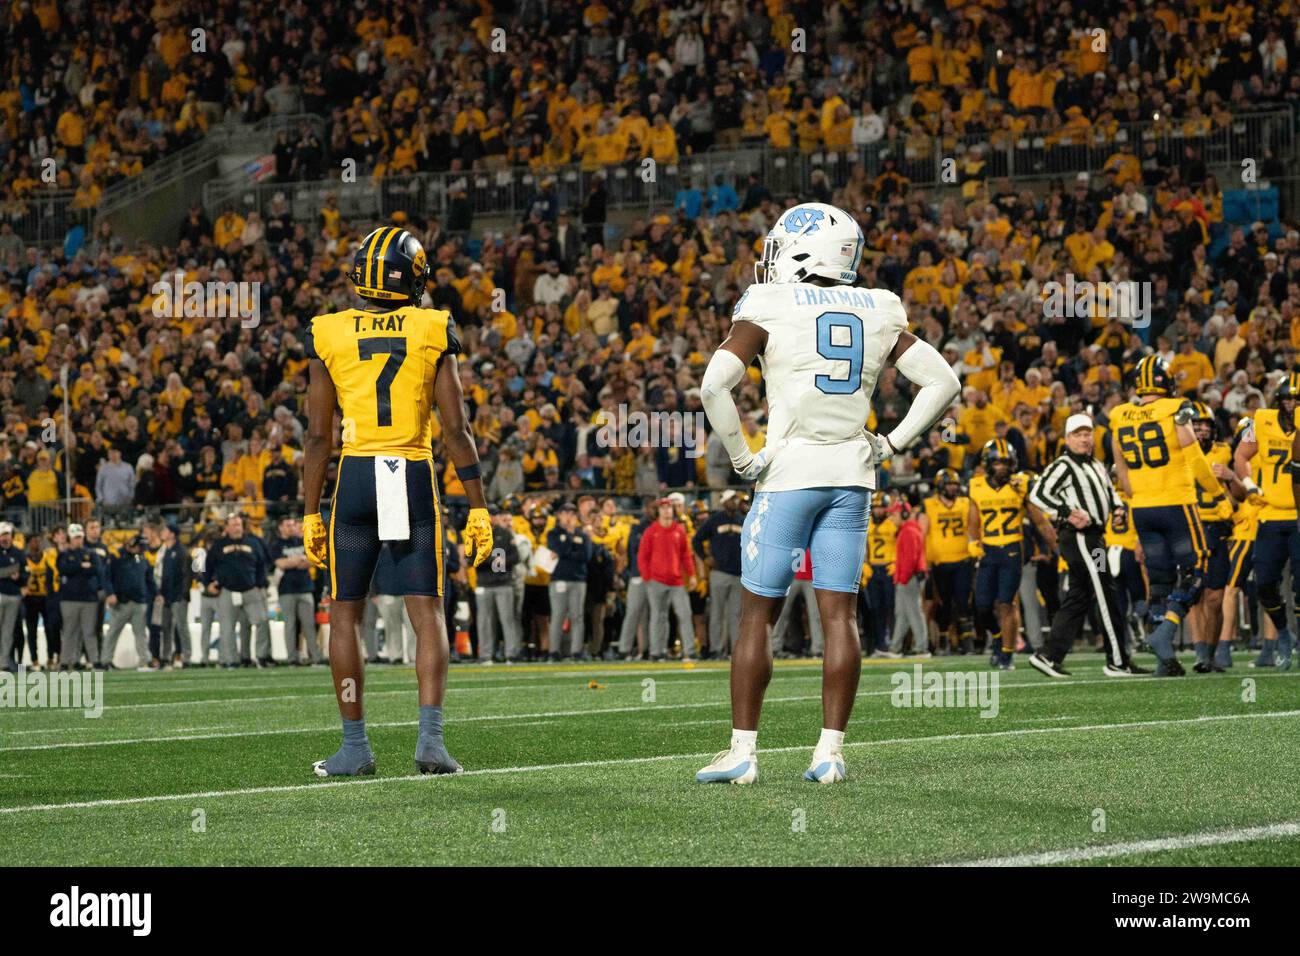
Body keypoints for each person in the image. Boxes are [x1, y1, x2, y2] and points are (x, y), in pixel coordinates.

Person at [696, 201, 959, 784]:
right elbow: (945, 381)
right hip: (852, 478)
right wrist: (890, 444)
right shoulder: (880, 305)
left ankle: (742, 753)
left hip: (790, 475)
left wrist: (742, 458)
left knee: (756, 617)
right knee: (839, 615)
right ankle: (830, 753)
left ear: (800, 249)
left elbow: (715, 384)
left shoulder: (768, 302)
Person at [301, 226, 492, 778]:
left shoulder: (328, 331)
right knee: (425, 611)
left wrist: (311, 509)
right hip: (409, 471)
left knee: (344, 613)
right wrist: (478, 505)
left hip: (357, 477)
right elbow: (457, 432)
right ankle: (429, 741)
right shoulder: (433, 326)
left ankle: (355, 747)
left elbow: (318, 437)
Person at [1111, 355, 1221, 675]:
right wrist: (1215, 492)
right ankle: (1167, 631)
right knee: (1196, 570)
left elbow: (1121, 468)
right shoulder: (1177, 408)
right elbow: (1195, 456)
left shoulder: (1119, 414)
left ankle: (1165, 662)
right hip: (1176, 503)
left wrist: (1138, 498)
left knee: (1159, 579)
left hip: (1142, 507)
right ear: (1166, 381)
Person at [1027, 414, 1148, 677]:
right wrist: (1066, 512)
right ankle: (1117, 660)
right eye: (1078, 434)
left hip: (1095, 537)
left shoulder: (1095, 464)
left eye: (1087, 433)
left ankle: (1049, 656)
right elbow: (1037, 493)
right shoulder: (1064, 464)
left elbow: (1109, 492)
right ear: (1068, 438)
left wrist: (1116, 508)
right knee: (1106, 593)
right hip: (1080, 537)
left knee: (1080, 596)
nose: (1084, 438)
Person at [1239, 372, 1300, 670]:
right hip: (1270, 515)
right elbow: (1241, 456)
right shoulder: (1260, 419)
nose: (1291, 404)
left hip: (1298, 517)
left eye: (1296, 399)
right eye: (1287, 398)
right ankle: (1284, 635)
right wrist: (1249, 484)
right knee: (1264, 584)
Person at [968, 439, 1034, 670]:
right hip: (989, 550)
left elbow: (1039, 519)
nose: (1002, 467)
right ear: (987, 463)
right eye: (996, 462)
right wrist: (972, 542)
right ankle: (997, 636)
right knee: (982, 606)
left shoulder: (1022, 483)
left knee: (1007, 604)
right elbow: (973, 520)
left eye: (1006, 462)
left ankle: (1007, 653)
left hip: (1013, 550)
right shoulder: (976, 486)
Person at [204, 513, 269, 668]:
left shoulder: (253, 542)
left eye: (238, 524)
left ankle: (261, 656)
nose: (236, 527)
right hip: (228, 591)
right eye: (233, 524)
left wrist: (260, 584)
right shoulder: (219, 544)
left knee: (262, 622)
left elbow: (262, 564)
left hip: (251, 590)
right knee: (227, 628)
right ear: (226, 527)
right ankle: (231, 660)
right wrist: (208, 583)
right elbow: (207, 565)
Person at [921, 469, 974, 654]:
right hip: (939, 562)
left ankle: (966, 642)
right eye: (949, 484)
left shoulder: (966, 502)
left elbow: (974, 526)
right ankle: (943, 641)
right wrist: (924, 560)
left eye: (955, 484)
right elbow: (921, 533)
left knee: (963, 602)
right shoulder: (928, 505)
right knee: (943, 603)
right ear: (940, 486)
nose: (953, 488)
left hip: (963, 559)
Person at [637, 497, 697, 661]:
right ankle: (657, 651)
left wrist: (691, 575)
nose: (666, 510)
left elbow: (686, 555)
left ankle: (689, 651)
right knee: (658, 616)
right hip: (656, 581)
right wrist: (647, 576)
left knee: (684, 614)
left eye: (669, 507)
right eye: (663, 508)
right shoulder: (651, 531)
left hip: (676, 581)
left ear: (672, 510)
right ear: (659, 511)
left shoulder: (679, 530)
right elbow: (642, 556)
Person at [694, 489, 744, 658]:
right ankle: (716, 649)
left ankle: (735, 650)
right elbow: (696, 540)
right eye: (731, 499)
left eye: (736, 499)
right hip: (719, 573)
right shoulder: (714, 520)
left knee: (735, 614)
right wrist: (705, 556)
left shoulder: (742, 520)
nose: (735, 502)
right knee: (717, 613)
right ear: (723, 502)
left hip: (738, 574)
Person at [475, 508, 525, 663]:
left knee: (508, 620)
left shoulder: (504, 534)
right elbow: (470, 559)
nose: (491, 518)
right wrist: (490, 560)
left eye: (493, 515)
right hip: (484, 582)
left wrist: (504, 561)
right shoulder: (476, 534)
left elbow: (516, 556)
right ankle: (485, 655)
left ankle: (511, 654)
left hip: (504, 582)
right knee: (484, 621)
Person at [545, 501, 593, 661]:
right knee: (557, 616)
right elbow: (561, 549)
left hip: (578, 579)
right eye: (565, 513)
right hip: (558, 578)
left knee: (577, 616)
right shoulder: (552, 533)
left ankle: (576, 651)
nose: (569, 517)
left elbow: (585, 557)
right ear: (559, 515)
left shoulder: (583, 535)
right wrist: (570, 538)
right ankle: (554, 651)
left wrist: (565, 550)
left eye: (572, 514)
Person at [269, 515, 319, 665]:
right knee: (290, 625)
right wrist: (300, 559)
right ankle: (292, 658)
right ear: (281, 527)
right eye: (288, 525)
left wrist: (294, 561)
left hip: (305, 588)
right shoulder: (276, 544)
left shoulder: (302, 540)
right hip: (287, 590)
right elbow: (281, 564)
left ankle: (316, 657)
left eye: (292, 525)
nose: (292, 527)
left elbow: (313, 560)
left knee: (309, 625)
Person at [103, 534, 156, 670]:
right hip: (121, 602)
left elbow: (149, 578)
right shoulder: (116, 557)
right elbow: (106, 577)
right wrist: (110, 593)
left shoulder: (143, 558)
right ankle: (106, 661)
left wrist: (156, 594)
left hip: (139, 601)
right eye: (139, 547)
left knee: (140, 633)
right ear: (130, 545)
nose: (141, 550)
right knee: (113, 632)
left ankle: (144, 660)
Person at [56, 523, 104, 670]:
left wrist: (76, 568)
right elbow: (63, 569)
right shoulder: (63, 554)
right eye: (76, 537)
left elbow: (97, 569)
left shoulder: (91, 553)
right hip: (69, 598)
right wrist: (81, 566)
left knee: (89, 632)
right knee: (69, 631)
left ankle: (94, 661)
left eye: (80, 537)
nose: (79, 540)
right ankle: (65, 662)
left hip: (89, 598)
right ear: (70, 538)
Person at [886, 499, 929, 657]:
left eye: (894, 514)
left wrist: (902, 578)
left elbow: (910, 559)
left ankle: (922, 647)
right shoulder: (907, 530)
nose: (892, 518)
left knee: (914, 612)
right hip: (906, 577)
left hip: (909, 578)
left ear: (904, 513)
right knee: (903, 614)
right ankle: (895, 648)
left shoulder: (909, 531)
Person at [155, 522, 193, 667]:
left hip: (178, 596)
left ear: (172, 533)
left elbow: (187, 575)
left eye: (165, 530)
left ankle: (186, 656)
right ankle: (166, 656)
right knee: (165, 628)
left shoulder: (182, 551)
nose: (162, 532)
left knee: (182, 627)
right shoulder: (164, 551)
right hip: (165, 596)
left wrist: (182, 595)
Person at [0, 523, 23, 671]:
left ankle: (4, 662)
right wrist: (8, 573)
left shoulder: (18, 552)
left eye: (7, 534)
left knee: (8, 632)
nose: (5, 537)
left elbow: (26, 572)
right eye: (2, 534)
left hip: (14, 595)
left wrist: (20, 577)